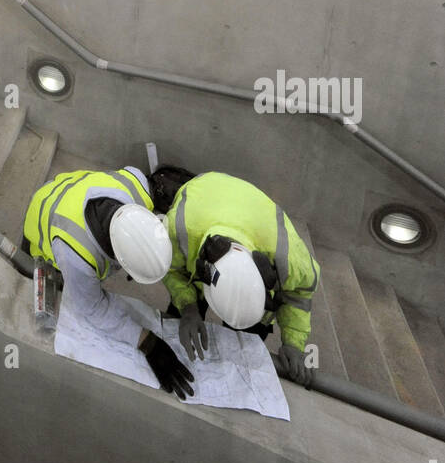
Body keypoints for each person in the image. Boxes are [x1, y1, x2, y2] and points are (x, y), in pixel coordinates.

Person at [23, 165, 195, 399]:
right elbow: (91, 309)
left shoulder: (136, 183)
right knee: (56, 283)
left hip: (65, 189)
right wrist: (147, 343)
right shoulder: (76, 254)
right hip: (40, 216)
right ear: (119, 260)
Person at [164, 171, 320, 386]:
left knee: (244, 341)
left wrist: (293, 344)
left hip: (252, 212)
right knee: (182, 321)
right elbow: (171, 269)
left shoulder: (290, 259)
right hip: (208, 191)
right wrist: (188, 307)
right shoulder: (180, 228)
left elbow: (299, 296)